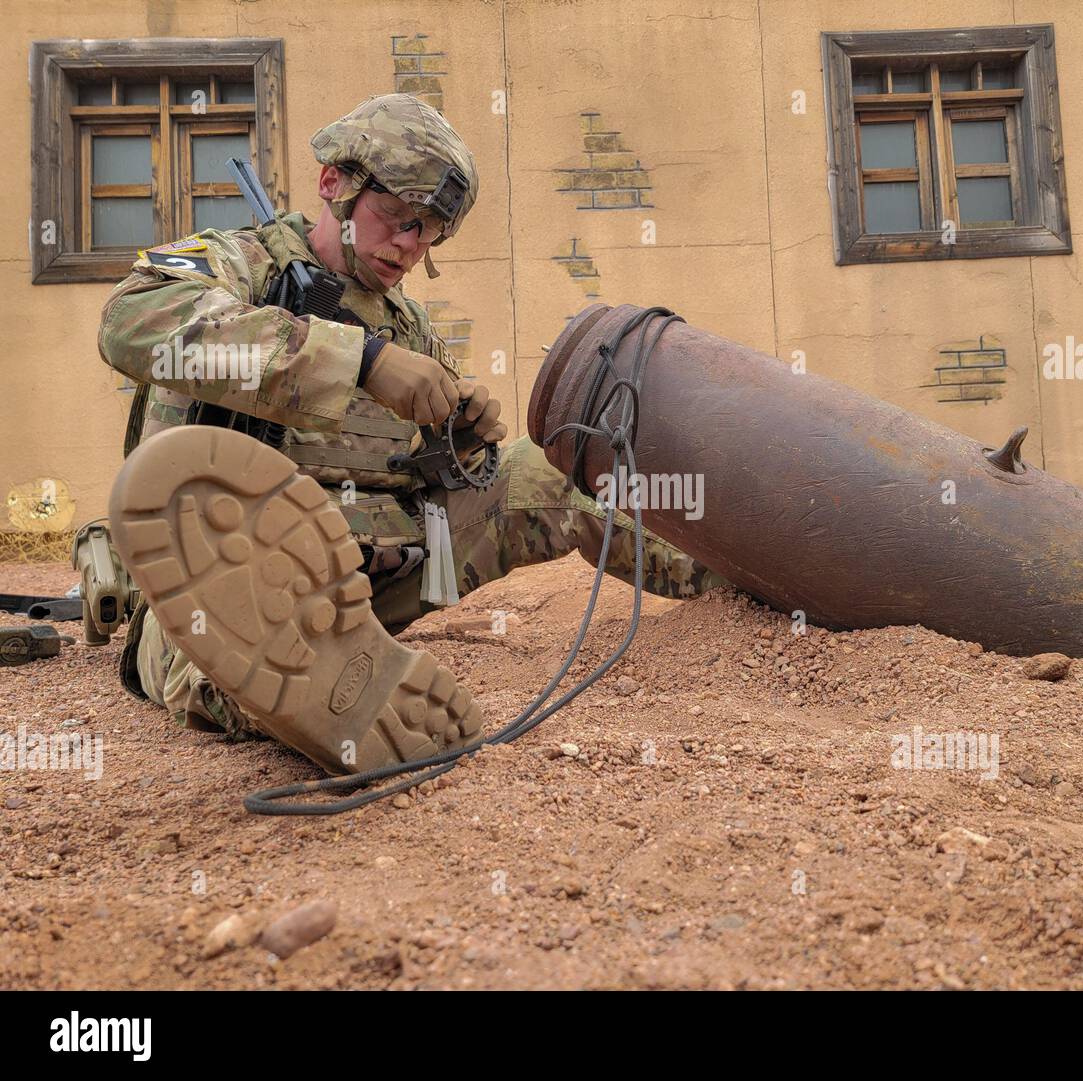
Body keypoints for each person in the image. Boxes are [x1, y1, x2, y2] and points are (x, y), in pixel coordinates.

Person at [98, 93, 726, 773]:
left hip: (364, 589)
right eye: (396, 219)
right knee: (236, 646)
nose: (410, 245)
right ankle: (290, 691)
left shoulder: (408, 325)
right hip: (217, 589)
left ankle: (731, 581)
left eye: (429, 231)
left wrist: (464, 443)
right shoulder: (241, 264)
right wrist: (357, 361)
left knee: (547, 470)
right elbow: (132, 319)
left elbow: (426, 482)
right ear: (333, 185)